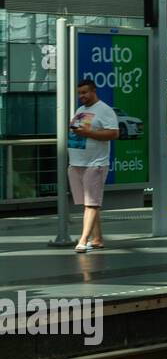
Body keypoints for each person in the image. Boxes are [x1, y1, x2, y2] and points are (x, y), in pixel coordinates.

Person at [68, 79, 118, 252]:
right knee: (88, 203)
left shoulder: (105, 110)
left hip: (95, 163)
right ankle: (97, 239)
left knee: (92, 204)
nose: (81, 96)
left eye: (85, 92)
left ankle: (83, 240)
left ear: (94, 91)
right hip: (77, 162)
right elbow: (76, 130)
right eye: (79, 93)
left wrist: (89, 133)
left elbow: (113, 133)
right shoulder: (80, 110)